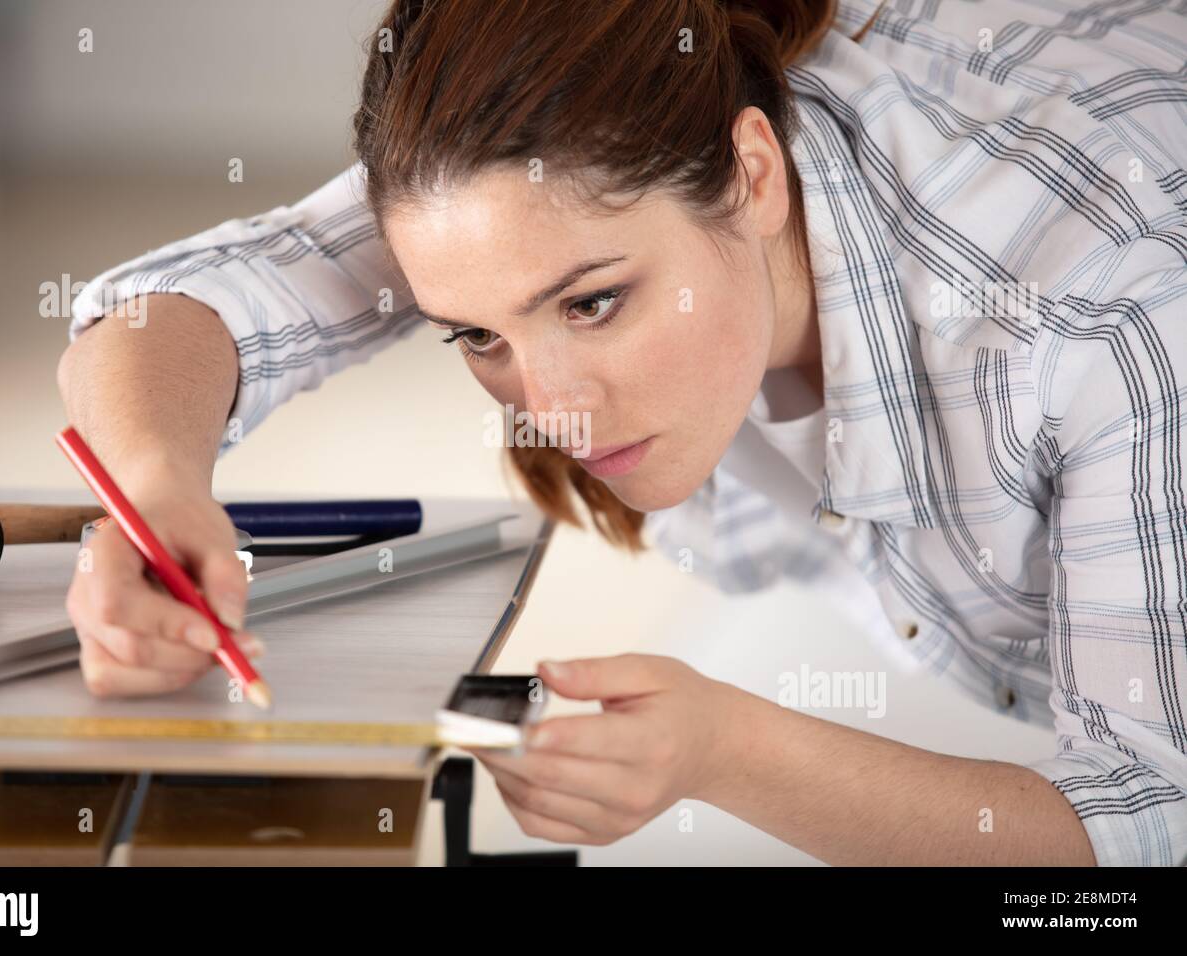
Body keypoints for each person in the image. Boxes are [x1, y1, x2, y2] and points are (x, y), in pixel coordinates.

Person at [57, 0, 1187, 865]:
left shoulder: (1105, 319)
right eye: (474, 336)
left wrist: (727, 751)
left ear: (751, 175)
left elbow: (1149, 823)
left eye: (592, 303)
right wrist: (158, 484)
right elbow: (172, 305)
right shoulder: (544, 168)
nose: (548, 405)